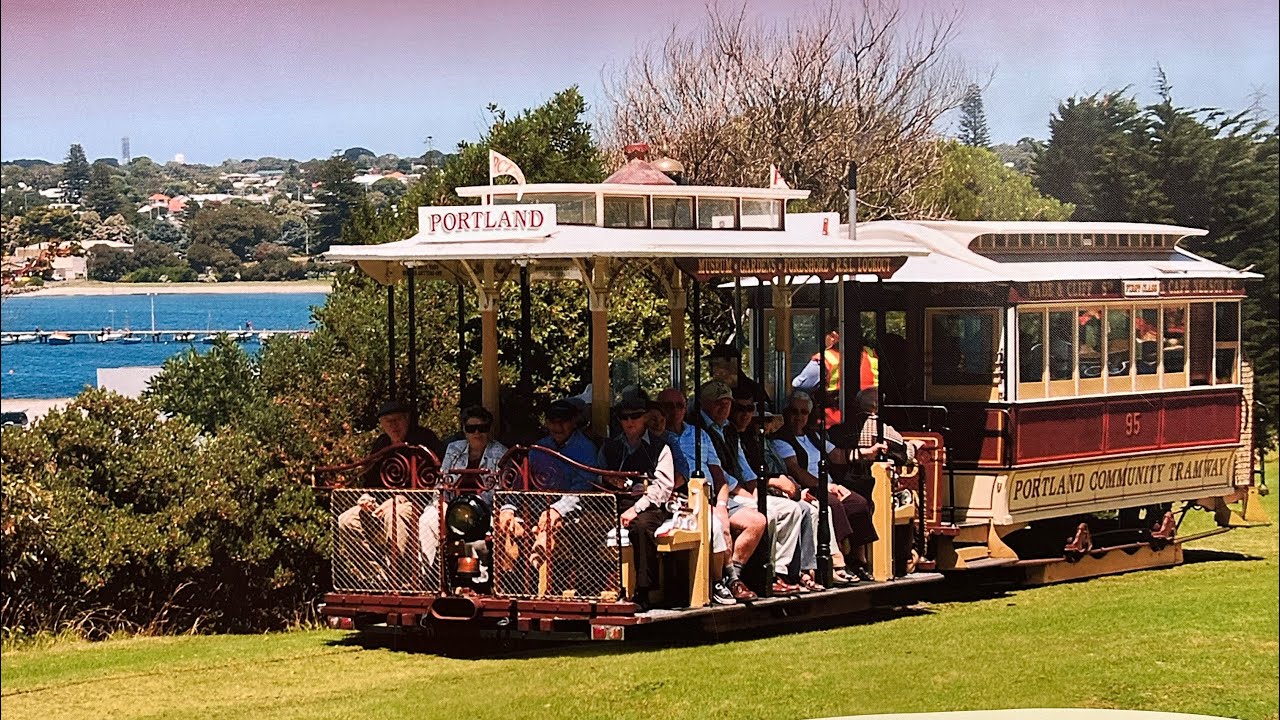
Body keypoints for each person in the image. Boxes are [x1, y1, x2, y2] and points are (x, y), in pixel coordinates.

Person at [772, 390, 875, 583]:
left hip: (826, 485)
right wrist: (826, 486)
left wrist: (867, 452)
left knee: (858, 502)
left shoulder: (814, 437)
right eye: (794, 412)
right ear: (787, 413)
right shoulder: (781, 439)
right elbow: (796, 470)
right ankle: (837, 563)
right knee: (833, 504)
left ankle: (858, 559)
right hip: (806, 488)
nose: (799, 417)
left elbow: (837, 455)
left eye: (803, 412)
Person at [655, 387, 744, 604]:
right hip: (682, 500)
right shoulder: (658, 438)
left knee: (759, 518)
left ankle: (741, 577)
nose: (674, 411)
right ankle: (718, 581)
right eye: (668, 406)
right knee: (714, 525)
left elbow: (719, 476)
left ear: (686, 408)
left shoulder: (698, 433)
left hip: (714, 497)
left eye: (680, 406)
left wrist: (721, 504)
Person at [729, 390, 823, 593]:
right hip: (745, 494)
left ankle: (801, 570)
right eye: (758, 420)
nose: (762, 425)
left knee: (810, 509)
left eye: (767, 420)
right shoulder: (742, 440)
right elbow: (750, 478)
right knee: (780, 511)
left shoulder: (764, 442)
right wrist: (777, 484)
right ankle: (771, 574)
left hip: (764, 490)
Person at [690, 380, 770, 602]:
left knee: (761, 517)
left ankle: (740, 577)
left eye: (727, 404)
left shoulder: (727, 430)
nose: (724, 409)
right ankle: (729, 581)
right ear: (704, 404)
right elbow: (723, 476)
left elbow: (727, 473)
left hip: (725, 494)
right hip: (704, 497)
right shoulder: (699, 430)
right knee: (724, 524)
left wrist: (750, 494)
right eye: (718, 404)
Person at [597, 396, 676, 611]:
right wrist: (608, 479)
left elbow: (664, 487)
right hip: (615, 500)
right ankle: (592, 584)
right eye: (624, 417)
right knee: (588, 522)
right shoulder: (610, 446)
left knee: (641, 527)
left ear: (645, 418)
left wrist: (637, 507)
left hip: (648, 504)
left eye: (635, 416)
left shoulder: (662, 448)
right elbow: (596, 474)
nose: (630, 421)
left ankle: (643, 591)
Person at [424, 406, 510, 581]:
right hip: (453, 506)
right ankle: (430, 576)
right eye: (471, 428)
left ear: (490, 429)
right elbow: (442, 483)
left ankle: (482, 581)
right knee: (427, 520)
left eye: (482, 428)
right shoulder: (454, 449)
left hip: (484, 508)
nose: (477, 433)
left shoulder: (501, 452)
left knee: (482, 530)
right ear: (464, 430)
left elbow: (502, 492)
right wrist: (442, 502)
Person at [528, 399, 601, 569]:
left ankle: (536, 567)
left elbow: (582, 488)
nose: (557, 426)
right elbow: (523, 482)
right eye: (552, 421)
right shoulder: (538, 448)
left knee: (552, 522)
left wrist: (555, 510)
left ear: (574, 421)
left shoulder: (586, 449)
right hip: (536, 509)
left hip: (575, 514)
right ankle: (506, 581)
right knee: (509, 523)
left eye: (563, 421)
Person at [362, 400, 444, 487]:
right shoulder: (382, 443)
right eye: (388, 421)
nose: (393, 425)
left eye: (397, 419)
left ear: (407, 419)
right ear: (382, 424)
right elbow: (371, 477)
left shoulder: (425, 438)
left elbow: (437, 474)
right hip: (388, 497)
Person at [708, 344, 771, 410]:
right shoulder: (710, 390)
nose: (712, 369)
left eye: (716, 364)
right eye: (712, 364)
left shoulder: (754, 390)